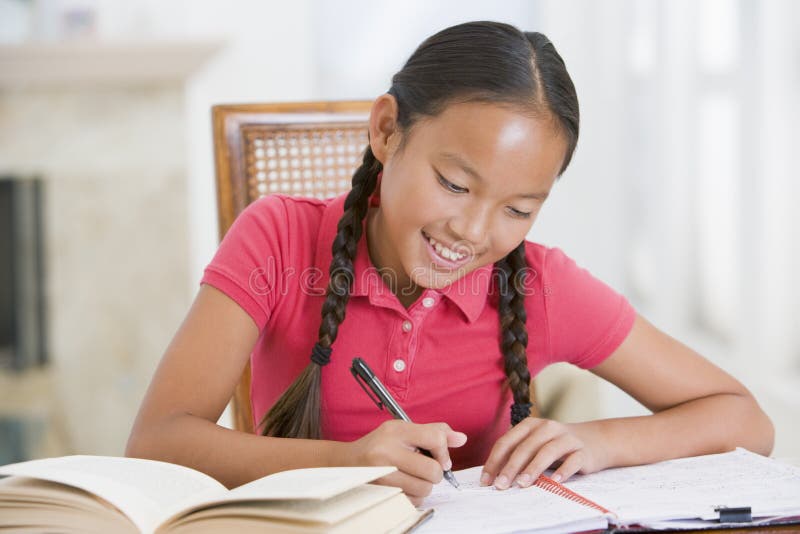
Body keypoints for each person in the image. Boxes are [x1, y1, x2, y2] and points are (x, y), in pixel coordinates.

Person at [126, 20, 774, 505]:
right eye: (456, 185)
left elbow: (743, 416)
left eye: (518, 210)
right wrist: (347, 462)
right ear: (386, 131)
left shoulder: (539, 284)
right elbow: (156, 441)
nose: (472, 231)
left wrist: (599, 441)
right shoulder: (278, 240)